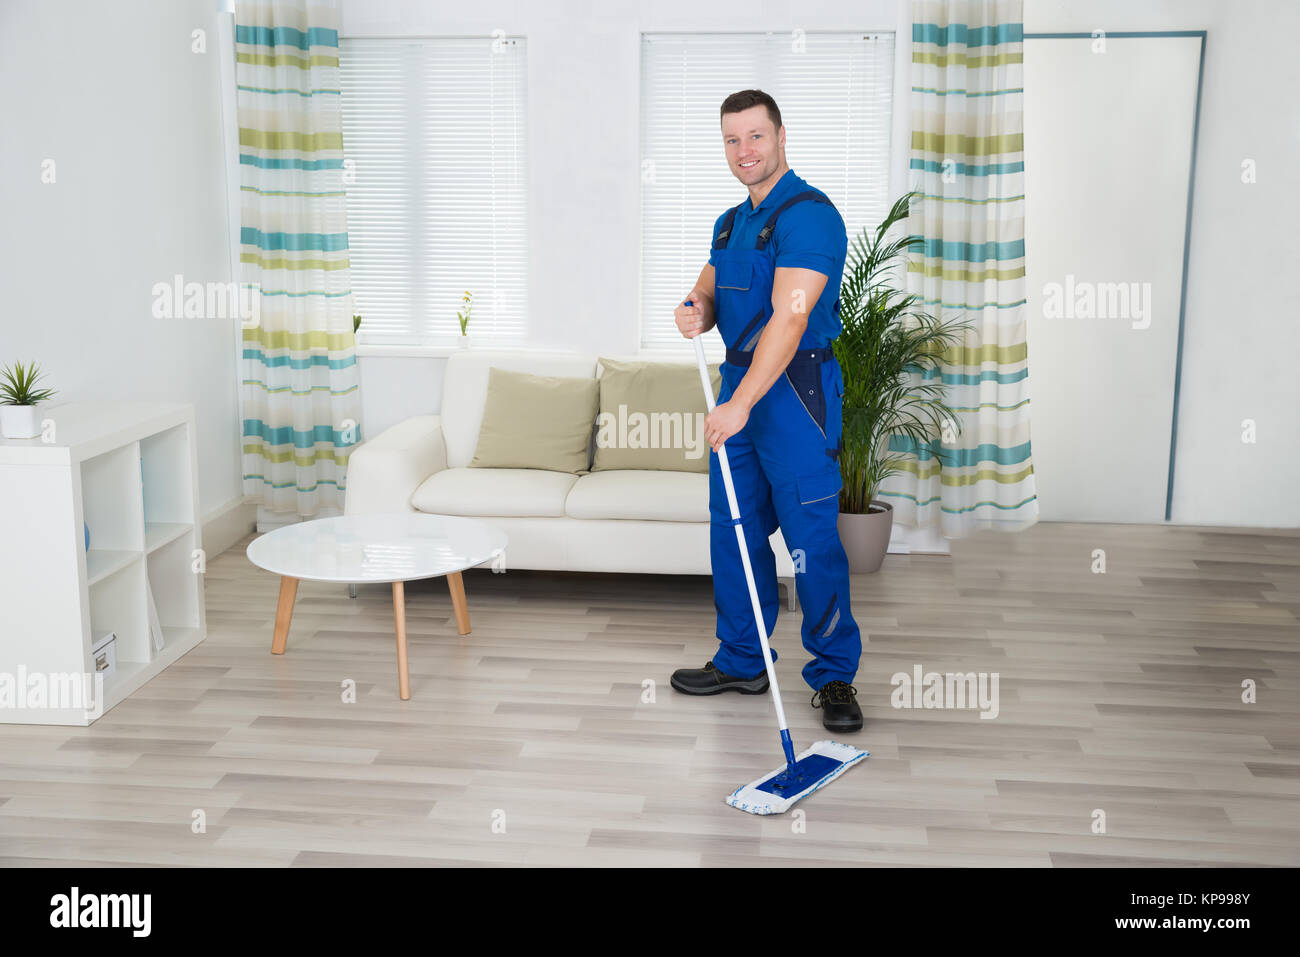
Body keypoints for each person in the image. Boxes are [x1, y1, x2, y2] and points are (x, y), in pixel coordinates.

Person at [669, 89, 863, 732]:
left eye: (756, 136)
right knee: (733, 528)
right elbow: (709, 289)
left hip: (794, 395)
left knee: (810, 539)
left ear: (781, 137)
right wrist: (694, 307)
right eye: (732, 140)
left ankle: (833, 675)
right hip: (737, 387)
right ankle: (743, 658)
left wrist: (742, 404)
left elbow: (789, 318)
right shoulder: (730, 222)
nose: (744, 151)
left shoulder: (809, 216)